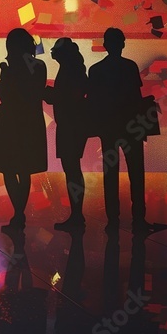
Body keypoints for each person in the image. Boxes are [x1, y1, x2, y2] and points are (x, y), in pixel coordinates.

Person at [88, 27, 150, 233]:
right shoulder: (130, 67)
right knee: (136, 173)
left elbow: (94, 102)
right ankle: (139, 218)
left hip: (109, 129)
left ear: (105, 45)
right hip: (132, 128)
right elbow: (135, 98)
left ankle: (112, 219)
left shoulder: (96, 70)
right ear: (122, 43)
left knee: (110, 173)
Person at [0, 28, 47, 232]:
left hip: (10, 123)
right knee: (25, 168)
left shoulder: (11, 68)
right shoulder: (39, 66)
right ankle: (19, 214)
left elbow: (7, 96)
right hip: (31, 122)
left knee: (9, 168)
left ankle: (18, 214)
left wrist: (5, 74)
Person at [44, 38, 89, 231]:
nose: (52, 53)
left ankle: (77, 214)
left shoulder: (70, 71)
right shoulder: (75, 69)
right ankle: (76, 213)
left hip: (70, 125)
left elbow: (69, 97)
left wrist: (49, 93)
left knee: (71, 170)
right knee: (72, 170)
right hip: (74, 124)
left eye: (55, 50)